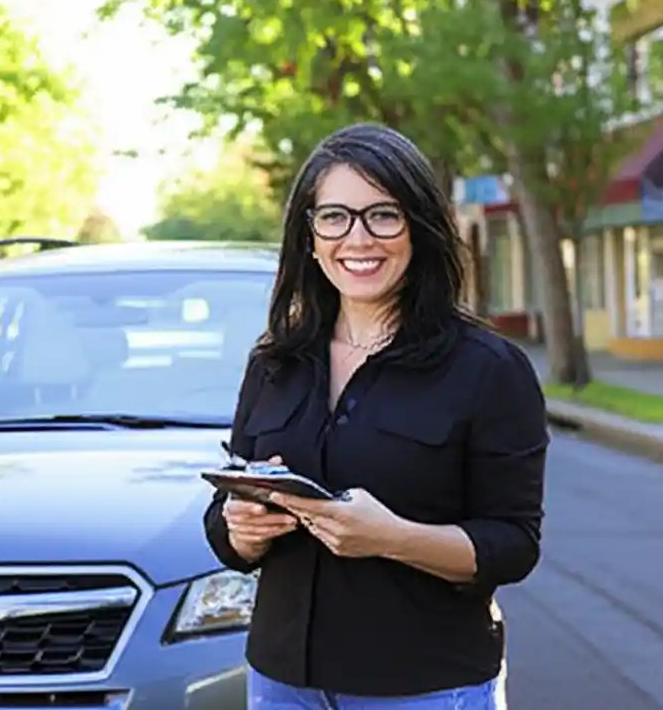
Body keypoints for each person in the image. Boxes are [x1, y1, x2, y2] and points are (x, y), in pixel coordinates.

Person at [204, 123, 548, 709]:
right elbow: (224, 521)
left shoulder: (489, 370)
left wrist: (393, 539)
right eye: (334, 217)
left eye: (382, 215)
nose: (357, 238)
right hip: (281, 683)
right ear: (309, 235)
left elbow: (513, 544)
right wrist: (241, 530)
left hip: (424, 686)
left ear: (418, 228)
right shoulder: (275, 363)